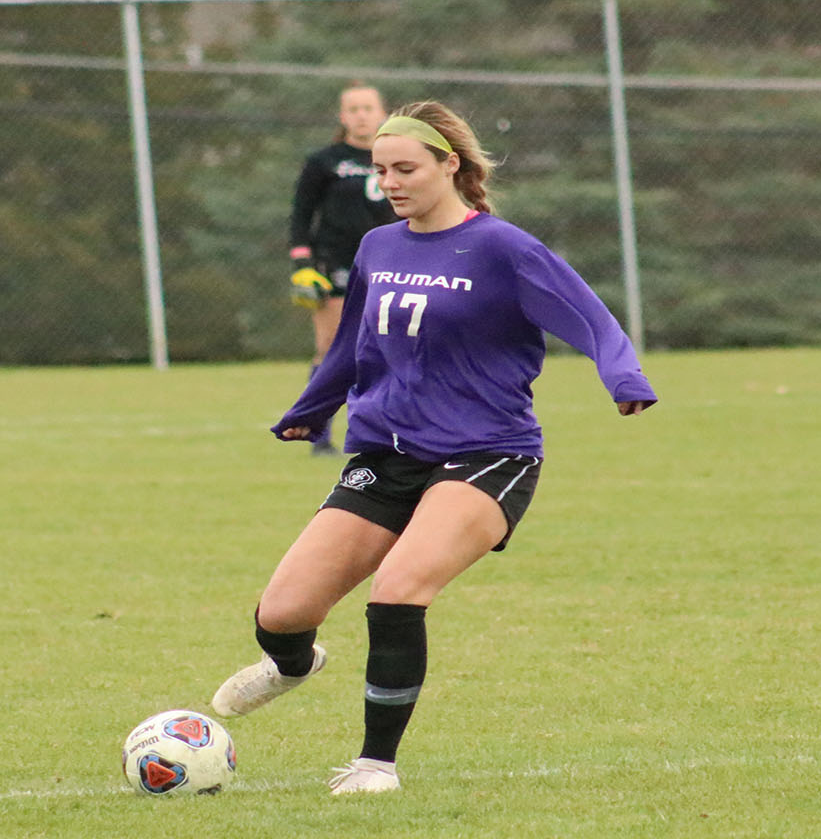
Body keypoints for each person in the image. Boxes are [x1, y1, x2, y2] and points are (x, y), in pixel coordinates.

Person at [212, 100, 658, 794]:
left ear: (451, 165)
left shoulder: (502, 248)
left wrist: (623, 376)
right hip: (389, 454)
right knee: (283, 613)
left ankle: (375, 766)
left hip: (488, 454)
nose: (390, 182)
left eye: (406, 168)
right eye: (381, 170)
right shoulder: (377, 247)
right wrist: (311, 409)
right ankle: (295, 666)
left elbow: (589, 317)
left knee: (397, 593)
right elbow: (350, 343)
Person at [287, 83, 397, 456]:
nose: (361, 115)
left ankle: (388, 432)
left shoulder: (398, 157)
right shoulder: (325, 161)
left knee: (391, 347)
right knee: (334, 348)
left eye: (368, 107)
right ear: (342, 116)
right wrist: (302, 262)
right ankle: (318, 433)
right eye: (353, 109)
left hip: (390, 264)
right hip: (336, 263)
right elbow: (301, 215)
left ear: (383, 113)